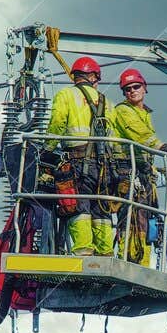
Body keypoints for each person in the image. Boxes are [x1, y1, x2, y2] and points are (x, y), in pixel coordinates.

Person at [109, 68, 167, 267]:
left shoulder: (144, 113)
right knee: (131, 220)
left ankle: (142, 263)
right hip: (127, 171)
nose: (132, 91)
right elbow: (142, 136)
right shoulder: (123, 110)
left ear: (144, 88)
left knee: (146, 220)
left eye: (136, 86)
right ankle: (127, 261)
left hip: (142, 174)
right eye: (127, 89)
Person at [45, 56, 117, 256]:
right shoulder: (108, 103)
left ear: (75, 76)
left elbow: (58, 123)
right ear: (94, 76)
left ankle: (84, 250)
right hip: (105, 165)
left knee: (79, 206)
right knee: (101, 208)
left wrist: (47, 150)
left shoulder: (66, 95)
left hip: (78, 161)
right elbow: (114, 137)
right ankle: (105, 252)